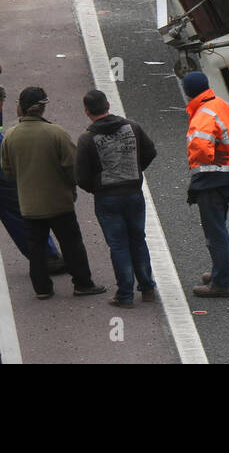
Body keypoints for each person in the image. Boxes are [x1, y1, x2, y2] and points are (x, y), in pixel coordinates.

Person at [0, 87, 106, 299]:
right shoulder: (56, 133)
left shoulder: (10, 136)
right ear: (42, 108)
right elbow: (72, 167)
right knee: (71, 244)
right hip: (59, 202)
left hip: (29, 205)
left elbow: (8, 172)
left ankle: (42, 289)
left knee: (36, 247)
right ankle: (82, 283)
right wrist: (71, 189)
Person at [0, 82, 62, 270]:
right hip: (1, 186)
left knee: (24, 221)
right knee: (28, 220)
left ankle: (47, 257)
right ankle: (48, 259)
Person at [76, 89, 158, 307]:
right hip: (133, 193)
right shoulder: (132, 127)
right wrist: (135, 172)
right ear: (108, 105)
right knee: (138, 239)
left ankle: (125, 295)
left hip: (107, 198)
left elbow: (81, 177)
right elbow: (150, 152)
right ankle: (148, 287)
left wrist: (97, 188)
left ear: (87, 111)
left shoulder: (87, 139)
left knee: (119, 245)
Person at [182, 70, 229, 298]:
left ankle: (221, 282)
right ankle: (219, 271)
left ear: (188, 93)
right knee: (220, 227)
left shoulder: (201, 116)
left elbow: (200, 147)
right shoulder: (221, 104)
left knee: (215, 233)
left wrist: (208, 158)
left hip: (212, 178)